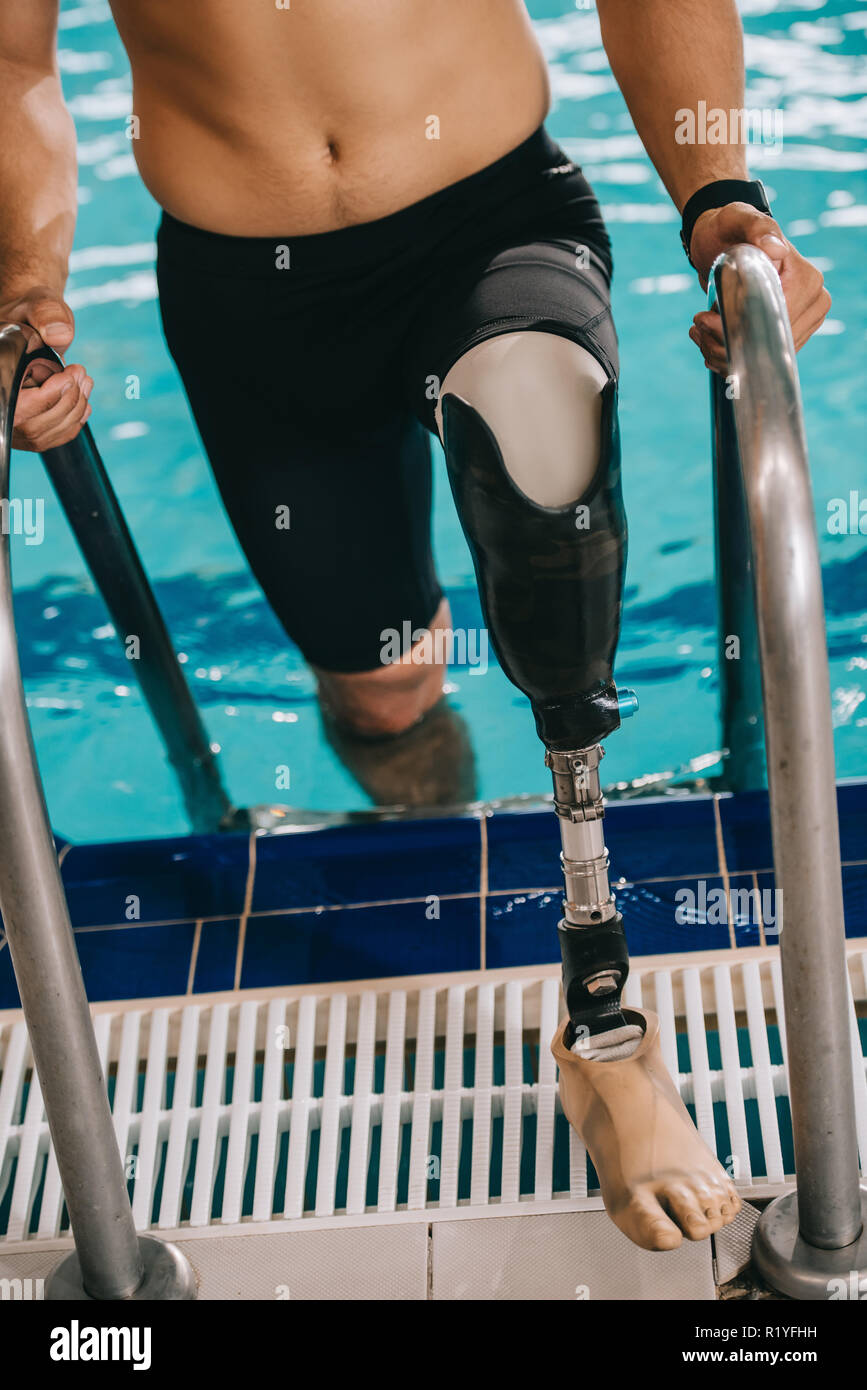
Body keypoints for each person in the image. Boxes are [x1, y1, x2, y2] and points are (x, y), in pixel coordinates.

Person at [1, 0, 829, 1252]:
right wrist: (25, 288)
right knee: (384, 693)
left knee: (546, 459)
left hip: (487, 215)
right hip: (250, 296)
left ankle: (604, 1020)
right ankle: (432, 846)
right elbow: (14, 59)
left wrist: (719, 197)